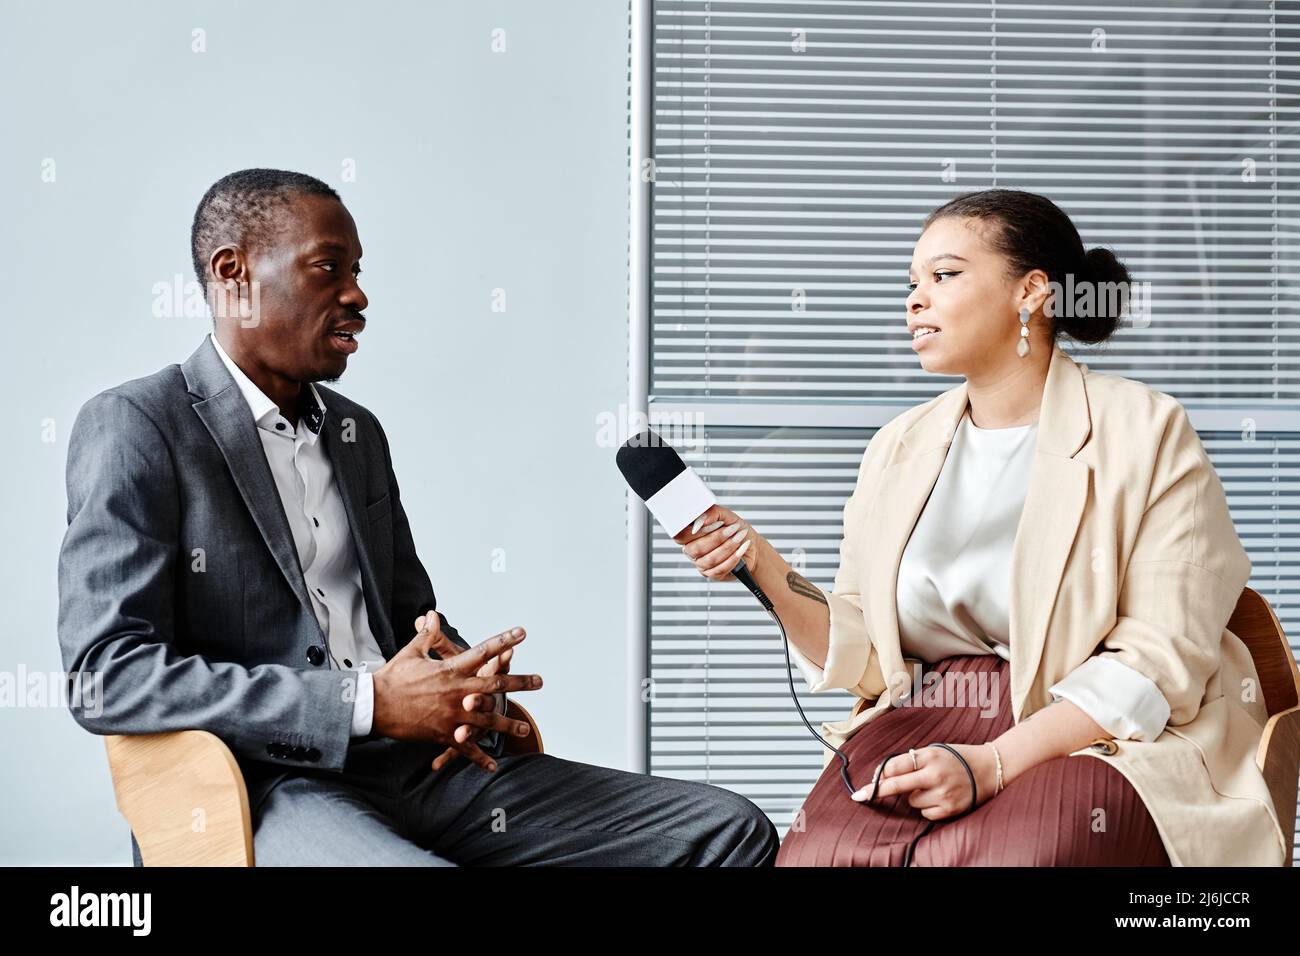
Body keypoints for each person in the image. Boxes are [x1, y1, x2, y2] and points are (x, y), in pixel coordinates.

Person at [57, 167, 778, 867]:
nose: (357, 294)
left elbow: (408, 620)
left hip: (428, 771)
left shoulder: (355, 433)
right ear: (233, 273)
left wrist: (462, 675)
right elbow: (105, 675)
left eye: (358, 270)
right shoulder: (137, 425)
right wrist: (361, 702)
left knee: (726, 832)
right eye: (327, 268)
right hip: (273, 787)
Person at [675, 188, 1288, 866]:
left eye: (944, 275)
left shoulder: (1145, 429)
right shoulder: (897, 447)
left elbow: (1158, 657)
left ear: (1030, 292)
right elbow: (867, 656)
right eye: (912, 283)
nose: (914, 300)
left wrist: (993, 762)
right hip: (921, 718)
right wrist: (760, 563)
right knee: (819, 855)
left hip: (1091, 729)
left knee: (1021, 852)